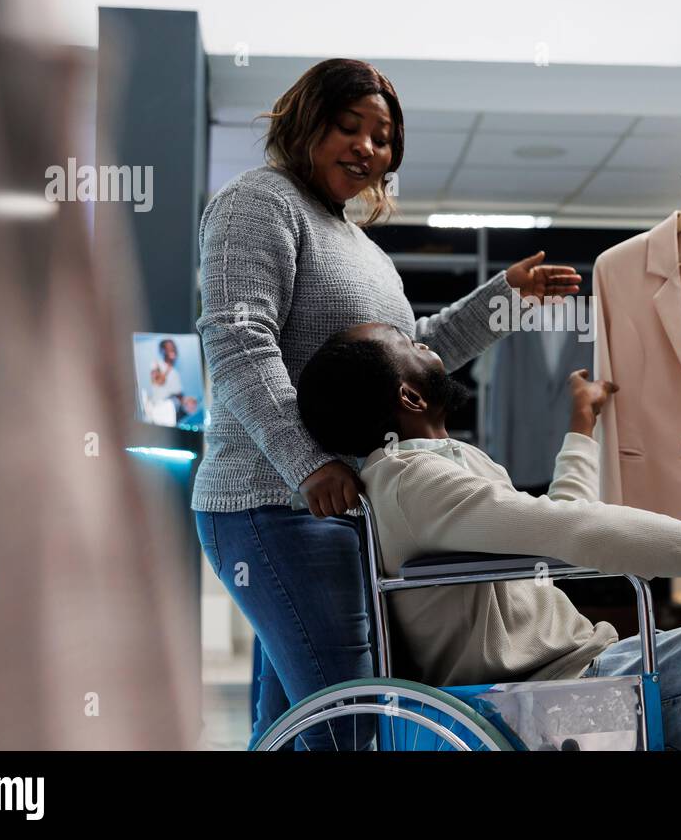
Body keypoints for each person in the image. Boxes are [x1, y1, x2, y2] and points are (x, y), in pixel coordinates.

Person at [295, 322, 681, 750]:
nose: (431, 347)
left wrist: (581, 427)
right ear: (408, 393)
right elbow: (571, 530)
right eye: (411, 344)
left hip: (599, 664)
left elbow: (556, 524)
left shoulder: (451, 465)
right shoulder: (410, 479)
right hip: (552, 694)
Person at [191, 58, 579, 750]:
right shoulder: (259, 202)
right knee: (350, 728)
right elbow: (237, 339)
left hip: (335, 508)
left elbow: (411, 355)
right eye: (349, 127)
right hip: (272, 503)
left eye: (383, 137)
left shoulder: (359, 244)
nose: (368, 148)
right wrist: (308, 463)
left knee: (294, 729)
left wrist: (503, 297)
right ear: (305, 122)